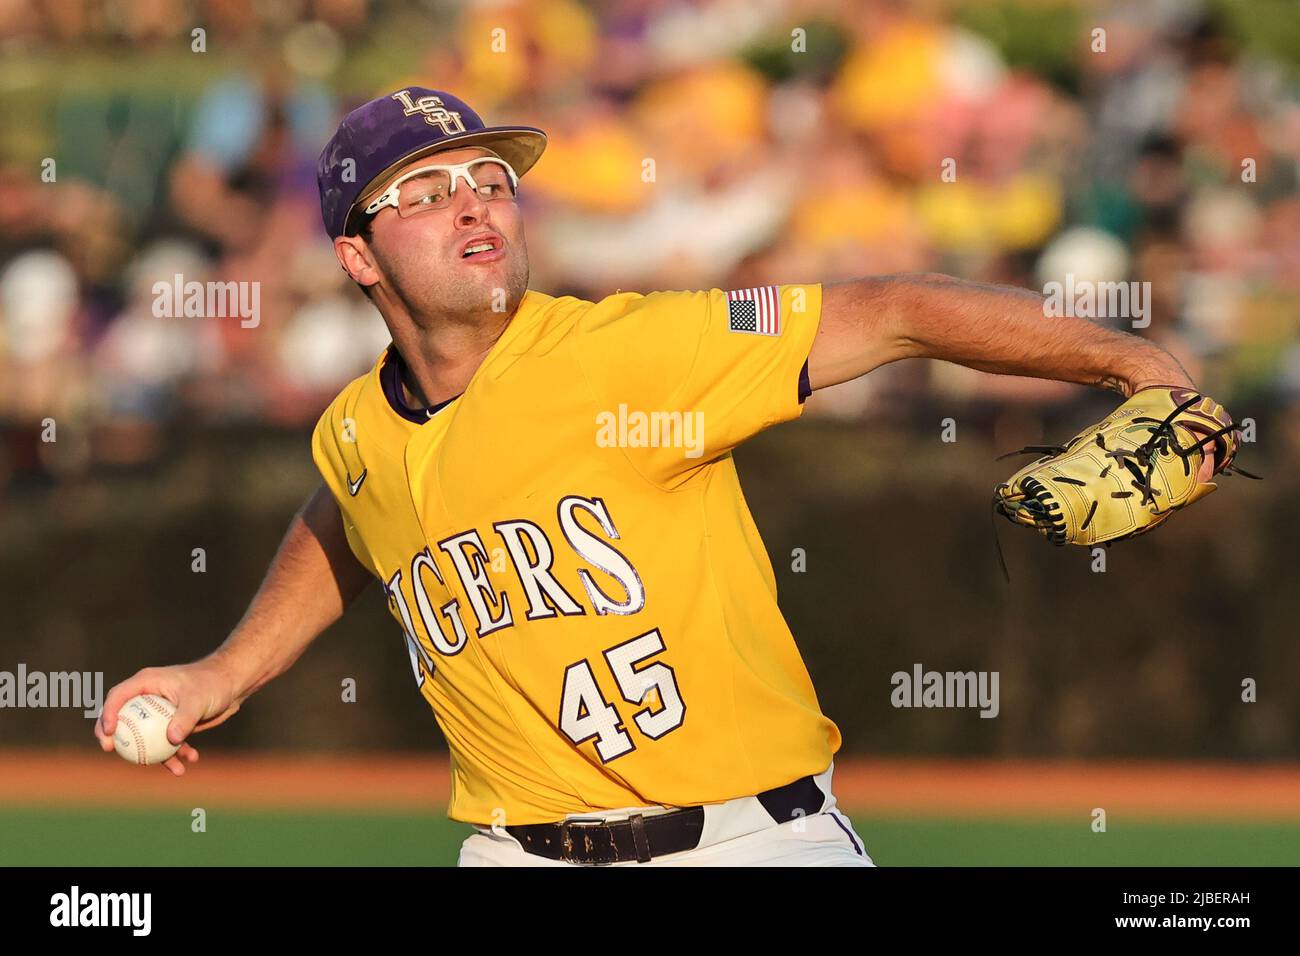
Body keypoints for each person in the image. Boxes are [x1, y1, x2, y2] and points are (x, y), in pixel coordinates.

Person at [96, 88, 1217, 866]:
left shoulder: (629, 351)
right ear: (356, 254)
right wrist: (221, 671)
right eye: (426, 190)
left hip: (749, 842)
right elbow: (350, 512)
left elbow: (899, 310)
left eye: (489, 176)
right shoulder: (352, 428)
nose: (476, 199)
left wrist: (1133, 359)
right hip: (513, 847)